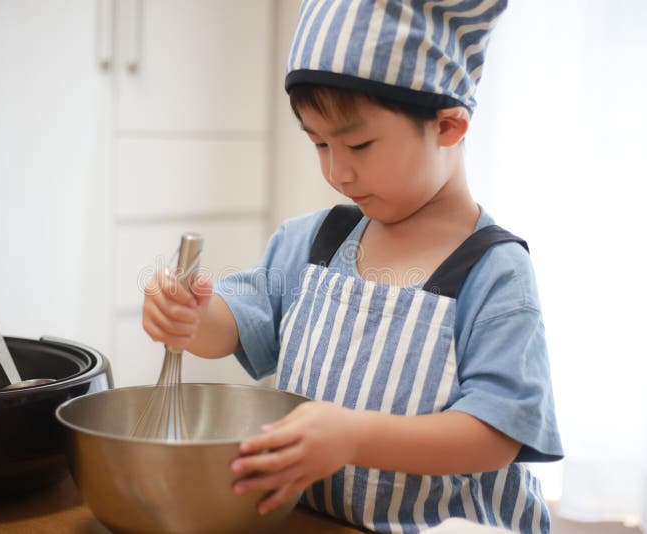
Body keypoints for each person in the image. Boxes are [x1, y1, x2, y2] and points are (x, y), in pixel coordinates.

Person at [141, 1, 563, 532]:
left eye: (359, 144)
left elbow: (496, 435)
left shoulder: (492, 272)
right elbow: (233, 323)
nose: (337, 171)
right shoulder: (314, 241)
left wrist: (355, 437)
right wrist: (192, 319)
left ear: (450, 126)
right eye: (319, 143)